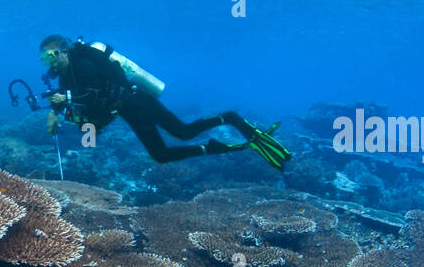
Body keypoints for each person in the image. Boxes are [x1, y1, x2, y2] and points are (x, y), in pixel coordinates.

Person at [39, 34, 292, 170]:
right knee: (160, 155)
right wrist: (57, 112)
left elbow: (99, 91)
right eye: (44, 60)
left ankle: (231, 118)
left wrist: (68, 99)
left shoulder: (83, 64)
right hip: (126, 111)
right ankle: (215, 148)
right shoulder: (65, 78)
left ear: (63, 50)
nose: (49, 63)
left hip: (137, 100)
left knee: (183, 132)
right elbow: (84, 107)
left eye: (51, 56)